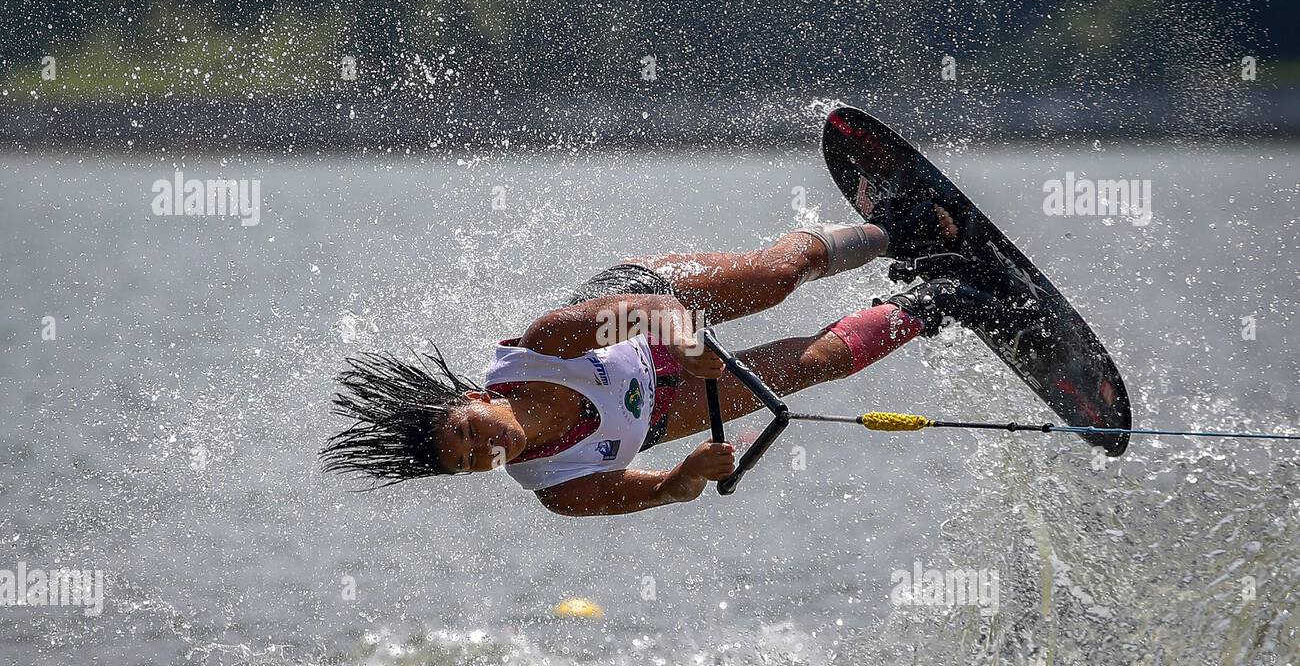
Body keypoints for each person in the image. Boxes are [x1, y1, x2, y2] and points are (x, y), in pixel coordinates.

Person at [322, 196, 1006, 515]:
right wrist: (690, 470)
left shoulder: (545, 345)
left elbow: (653, 315)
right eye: (471, 463)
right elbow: (664, 492)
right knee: (808, 367)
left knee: (770, 281)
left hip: (649, 301)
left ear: (476, 400)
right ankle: (942, 301)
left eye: (468, 434)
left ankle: (895, 226)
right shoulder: (561, 490)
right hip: (663, 410)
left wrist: (685, 340)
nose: (483, 451)